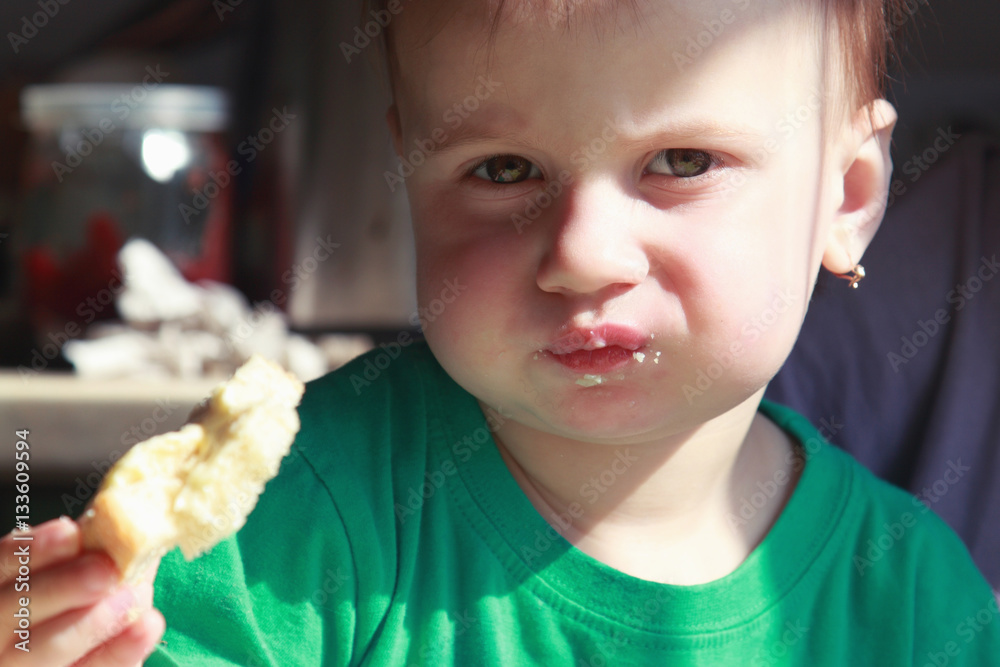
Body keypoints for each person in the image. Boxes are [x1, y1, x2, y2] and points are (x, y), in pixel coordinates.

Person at [3, 0, 998, 664]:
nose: (581, 252)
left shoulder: (915, 600)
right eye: (504, 170)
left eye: (682, 159)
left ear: (849, 192)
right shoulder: (293, 524)